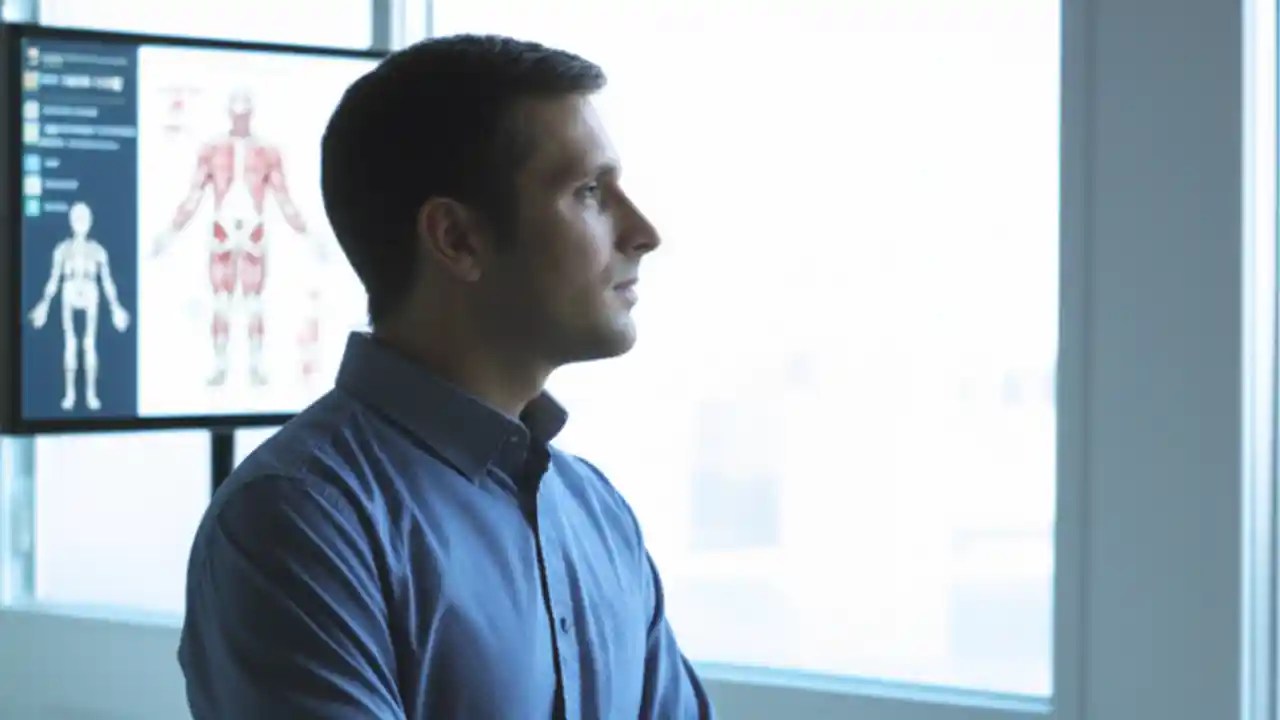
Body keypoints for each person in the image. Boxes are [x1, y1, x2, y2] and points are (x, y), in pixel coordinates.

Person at [177, 34, 715, 719]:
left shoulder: (596, 512)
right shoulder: (297, 521)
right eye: (587, 191)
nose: (643, 231)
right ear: (457, 239)